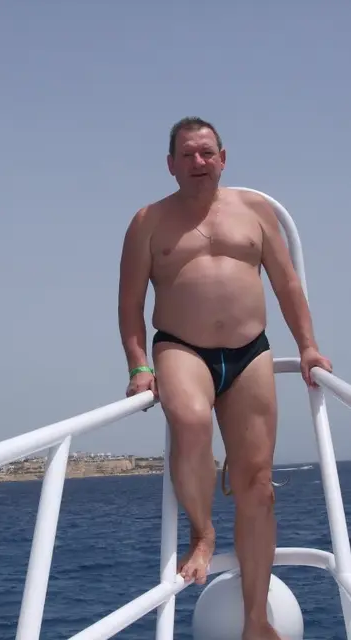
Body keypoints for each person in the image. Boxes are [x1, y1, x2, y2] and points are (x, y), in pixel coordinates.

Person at [117, 116, 332, 640]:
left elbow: (287, 285)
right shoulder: (148, 221)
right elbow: (129, 304)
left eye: (207, 152)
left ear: (223, 158)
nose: (198, 162)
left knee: (257, 483)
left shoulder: (255, 211)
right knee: (191, 421)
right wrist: (139, 366)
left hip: (250, 352)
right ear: (170, 164)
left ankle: (256, 620)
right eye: (187, 154)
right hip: (181, 347)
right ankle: (203, 532)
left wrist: (308, 346)